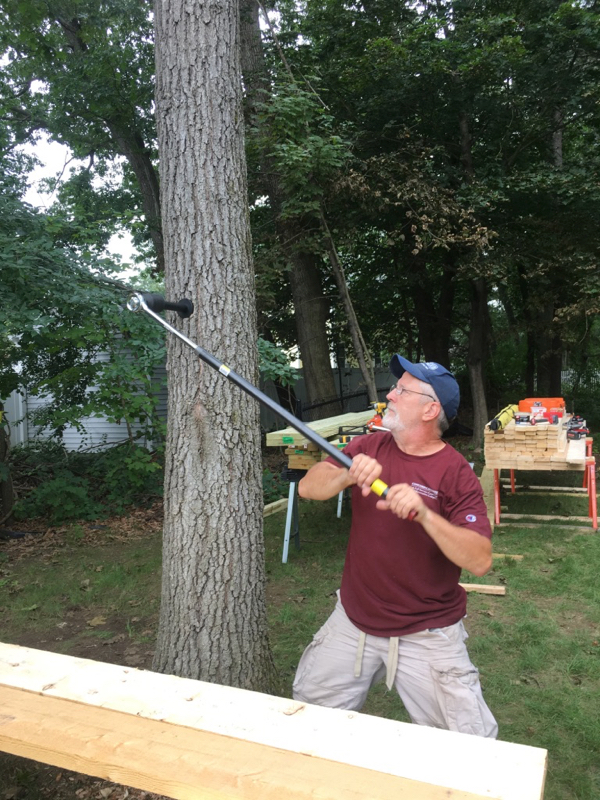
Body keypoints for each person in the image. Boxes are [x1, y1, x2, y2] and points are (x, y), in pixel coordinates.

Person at [293, 355, 498, 738]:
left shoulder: (455, 473)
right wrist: (345, 476)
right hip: (354, 617)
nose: (390, 394)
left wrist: (425, 515)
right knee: (309, 719)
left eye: (402, 390)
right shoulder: (370, 445)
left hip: (427, 630)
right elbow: (309, 487)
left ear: (429, 409)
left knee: (469, 745)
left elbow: (480, 559)